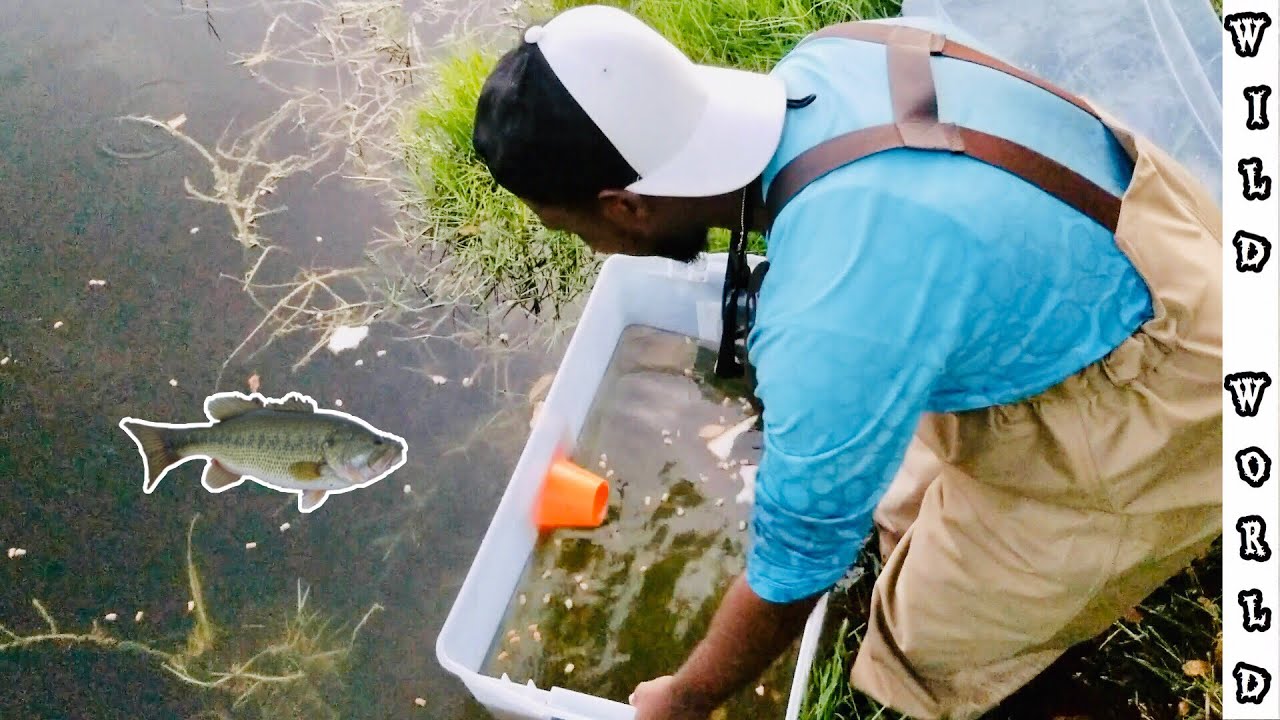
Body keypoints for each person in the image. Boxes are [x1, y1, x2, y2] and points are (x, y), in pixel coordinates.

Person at [469, 5, 1224, 719]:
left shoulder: (825, 316)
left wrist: (689, 697)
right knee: (895, 509)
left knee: (918, 647)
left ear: (623, 205)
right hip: (1153, 235)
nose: (587, 247)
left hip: (1174, 382)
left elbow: (794, 568)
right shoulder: (830, 60)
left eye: (568, 228)